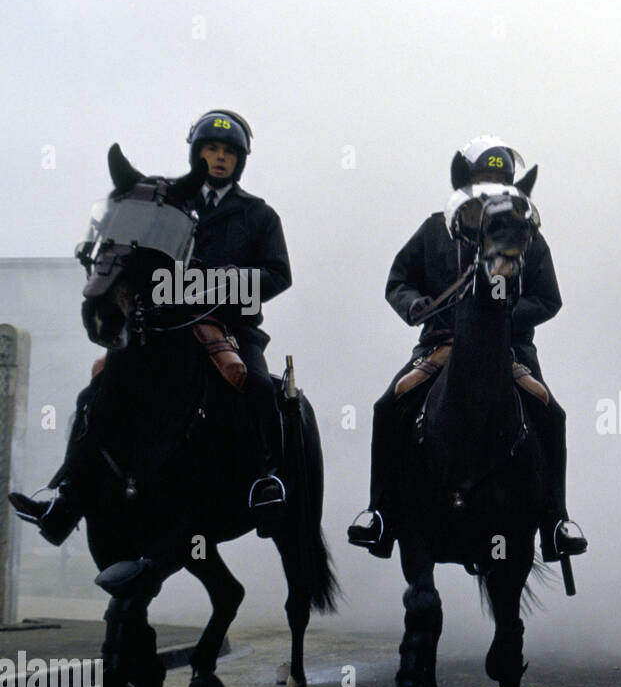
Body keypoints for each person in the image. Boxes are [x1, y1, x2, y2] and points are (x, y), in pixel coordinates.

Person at [10, 109, 292, 541]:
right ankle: (66, 493)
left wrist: (215, 284)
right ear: (197, 153)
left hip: (230, 327)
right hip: (163, 325)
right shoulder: (165, 203)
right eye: (211, 149)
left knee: (255, 384)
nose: (218, 158)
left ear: (240, 161)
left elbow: (277, 275)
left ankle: (266, 481)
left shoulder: (259, 215)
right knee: (96, 390)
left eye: (228, 152)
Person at [347, 135, 586, 562]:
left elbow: (548, 298)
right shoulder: (433, 228)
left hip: (509, 351)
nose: (491, 186)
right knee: (388, 406)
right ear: (465, 182)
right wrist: (413, 304)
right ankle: (379, 513)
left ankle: (555, 521)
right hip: (438, 346)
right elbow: (398, 281)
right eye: (483, 178)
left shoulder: (523, 233)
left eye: (500, 179)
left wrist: (496, 320)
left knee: (552, 413)